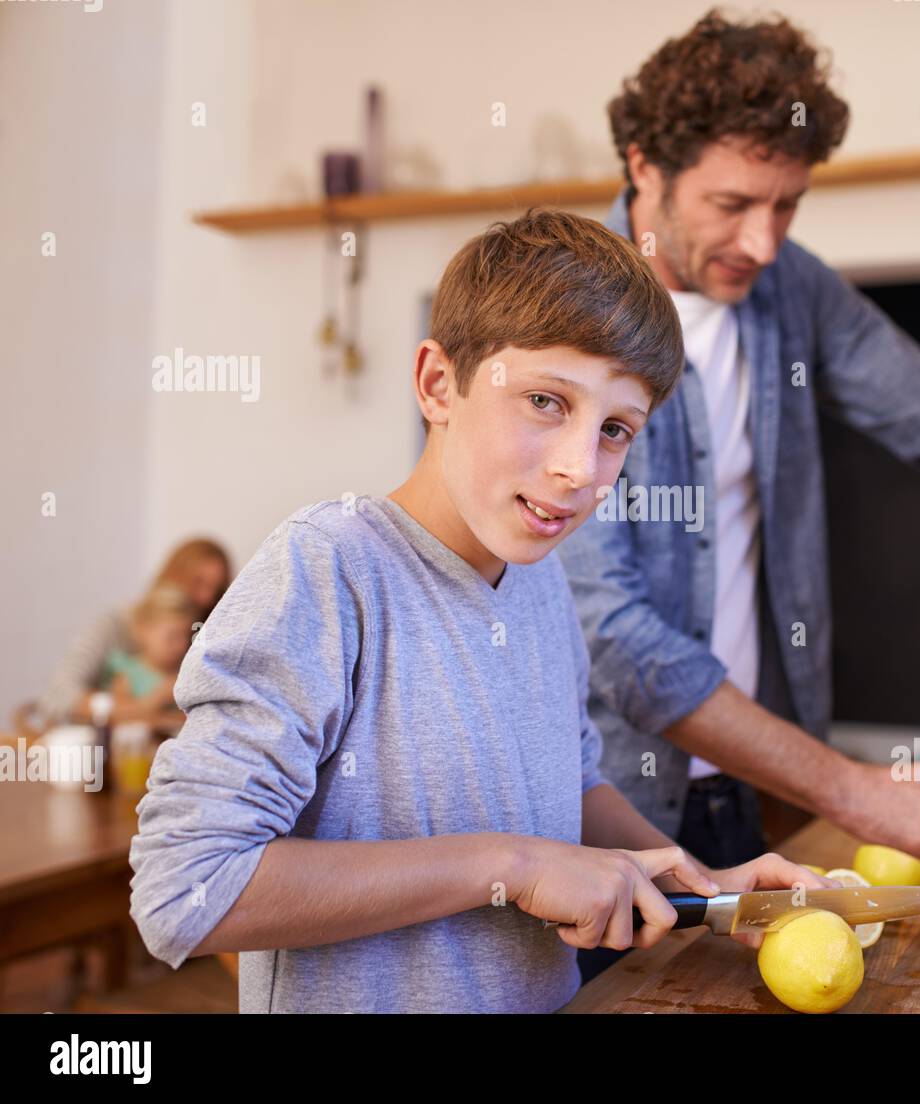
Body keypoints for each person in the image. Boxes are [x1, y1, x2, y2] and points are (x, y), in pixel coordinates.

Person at [128, 209, 831, 1014]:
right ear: (437, 384)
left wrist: (699, 884)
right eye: (543, 401)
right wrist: (514, 866)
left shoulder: (541, 579)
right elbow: (185, 889)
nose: (578, 469)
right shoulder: (328, 569)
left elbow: (572, 780)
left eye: (614, 430)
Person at [557, 10, 920, 889]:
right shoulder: (563, 311)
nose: (764, 241)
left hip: (766, 797)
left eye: (787, 204)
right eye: (731, 205)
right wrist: (857, 791)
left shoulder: (789, 286)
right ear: (647, 167)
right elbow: (618, 638)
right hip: (604, 813)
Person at [34, 538, 231, 728]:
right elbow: (59, 695)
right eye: (198, 582)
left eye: (215, 589)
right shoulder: (115, 626)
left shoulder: (202, 639)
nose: (206, 598)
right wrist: (140, 709)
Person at [103, 585, 198, 717]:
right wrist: (157, 699)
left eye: (186, 636)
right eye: (172, 637)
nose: (181, 645)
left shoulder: (185, 673)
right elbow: (117, 717)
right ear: (143, 630)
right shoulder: (126, 675)